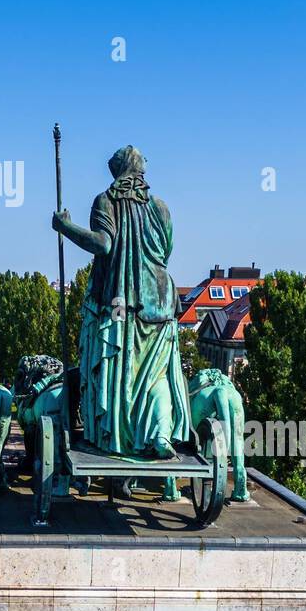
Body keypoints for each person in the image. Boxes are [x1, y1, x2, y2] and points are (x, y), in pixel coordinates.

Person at [52, 145, 190, 459]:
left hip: (119, 303)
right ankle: (159, 435)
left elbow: (103, 244)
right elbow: (165, 252)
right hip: (160, 303)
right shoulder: (160, 206)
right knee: (156, 375)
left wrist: (64, 227)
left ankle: (114, 437)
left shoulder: (105, 200)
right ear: (137, 167)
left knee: (118, 372)